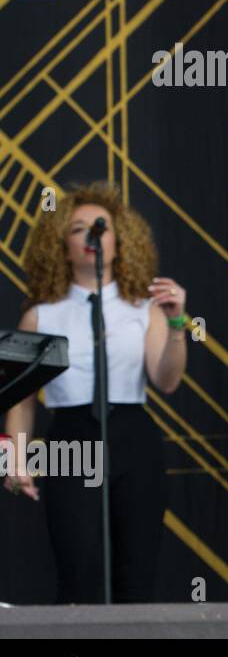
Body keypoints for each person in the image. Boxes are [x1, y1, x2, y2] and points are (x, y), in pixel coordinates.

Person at [2, 181, 189, 603]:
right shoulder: (41, 315)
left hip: (132, 434)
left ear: (119, 242)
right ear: (61, 246)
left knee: (136, 571)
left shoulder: (144, 308)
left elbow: (168, 380)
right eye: (77, 228)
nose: (91, 236)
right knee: (78, 567)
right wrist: (16, 458)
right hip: (71, 434)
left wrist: (178, 325)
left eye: (100, 227)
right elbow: (21, 399)